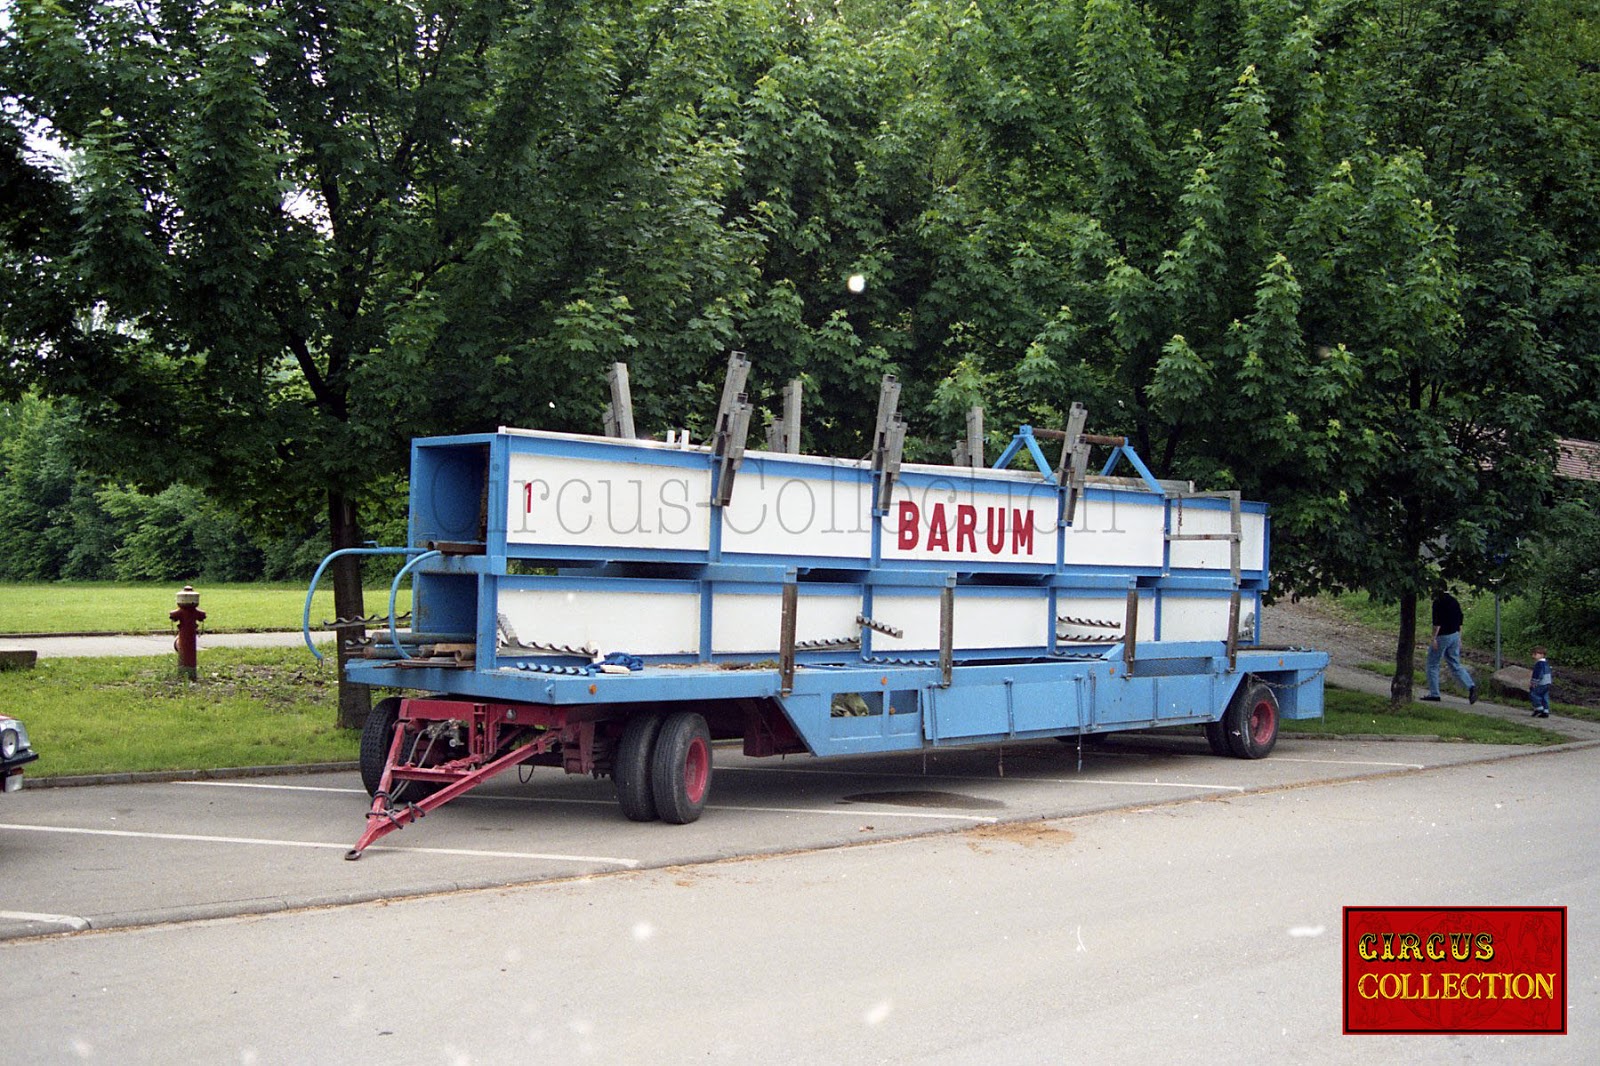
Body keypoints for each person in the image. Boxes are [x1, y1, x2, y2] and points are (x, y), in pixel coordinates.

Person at [1422, 588, 1477, 704]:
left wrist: (1433, 639)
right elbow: (1460, 620)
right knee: (1454, 663)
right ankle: (1470, 685)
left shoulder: (1438, 602)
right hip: (1455, 635)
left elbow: (1437, 623)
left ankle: (1434, 693)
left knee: (1432, 664)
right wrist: (1459, 637)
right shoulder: (1454, 601)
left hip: (1442, 636)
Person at [1529, 647, 1553, 718]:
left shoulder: (1539, 664)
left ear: (1542, 655)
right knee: (1544, 696)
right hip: (1547, 682)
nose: (1533, 656)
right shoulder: (1546, 663)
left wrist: (1533, 682)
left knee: (1534, 694)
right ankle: (1546, 710)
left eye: (1535, 654)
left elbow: (1538, 674)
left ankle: (1539, 708)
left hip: (1541, 683)